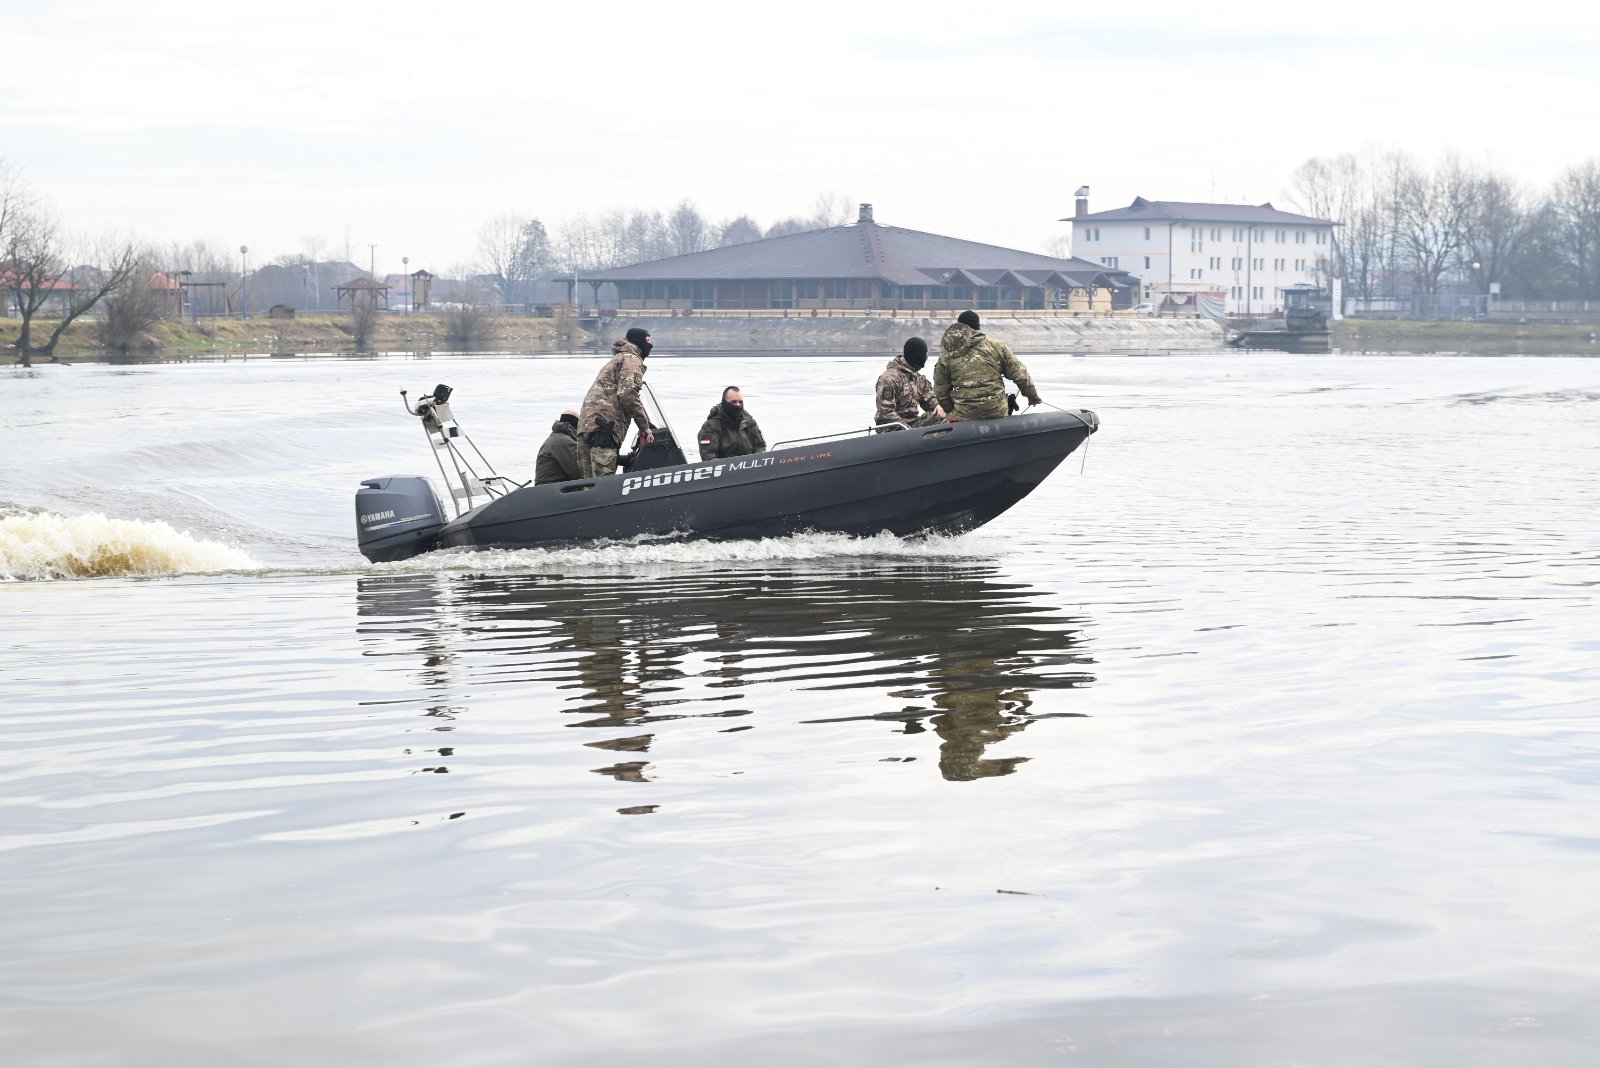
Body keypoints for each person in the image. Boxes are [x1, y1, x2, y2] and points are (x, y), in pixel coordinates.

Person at [933, 310, 1042, 421]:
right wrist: (1032, 396)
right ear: (977, 327)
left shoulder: (948, 354)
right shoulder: (997, 346)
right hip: (997, 411)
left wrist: (951, 409)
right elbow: (1020, 375)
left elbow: (940, 391)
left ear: (959, 328)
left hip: (963, 415)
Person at [577, 327, 654, 477]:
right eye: (648, 341)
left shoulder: (618, 359)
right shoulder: (631, 359)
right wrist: (645, 427)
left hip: (587, 425)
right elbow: (627, 394)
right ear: (639, 341)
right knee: (604, 481)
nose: (651, 345)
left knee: (588, 483)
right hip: (605, 427)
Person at [874, 336, 946, 429]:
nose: (925, 357)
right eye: (924, 354)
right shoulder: (889, 379)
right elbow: (886, 413)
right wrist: (907, 430)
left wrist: (938, 406)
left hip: (913, 425)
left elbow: (930, 400)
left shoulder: (920, 380)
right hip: (891, 428)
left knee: (943, 415)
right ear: (916, 355)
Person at [697, 386, 766, 460]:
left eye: (740, 402)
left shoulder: (749, 422)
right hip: (725, 468)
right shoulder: (710, 427)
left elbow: (760, 447)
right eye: (733, 402)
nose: (738, 405)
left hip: (750, 466)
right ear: (724, 402)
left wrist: (758, 461)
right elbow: (709, 457)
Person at [534, 409, 581, 485]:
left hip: (547, 489)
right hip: (552, 490)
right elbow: (579, 473)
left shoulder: (555, 437)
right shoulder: (564, 442)